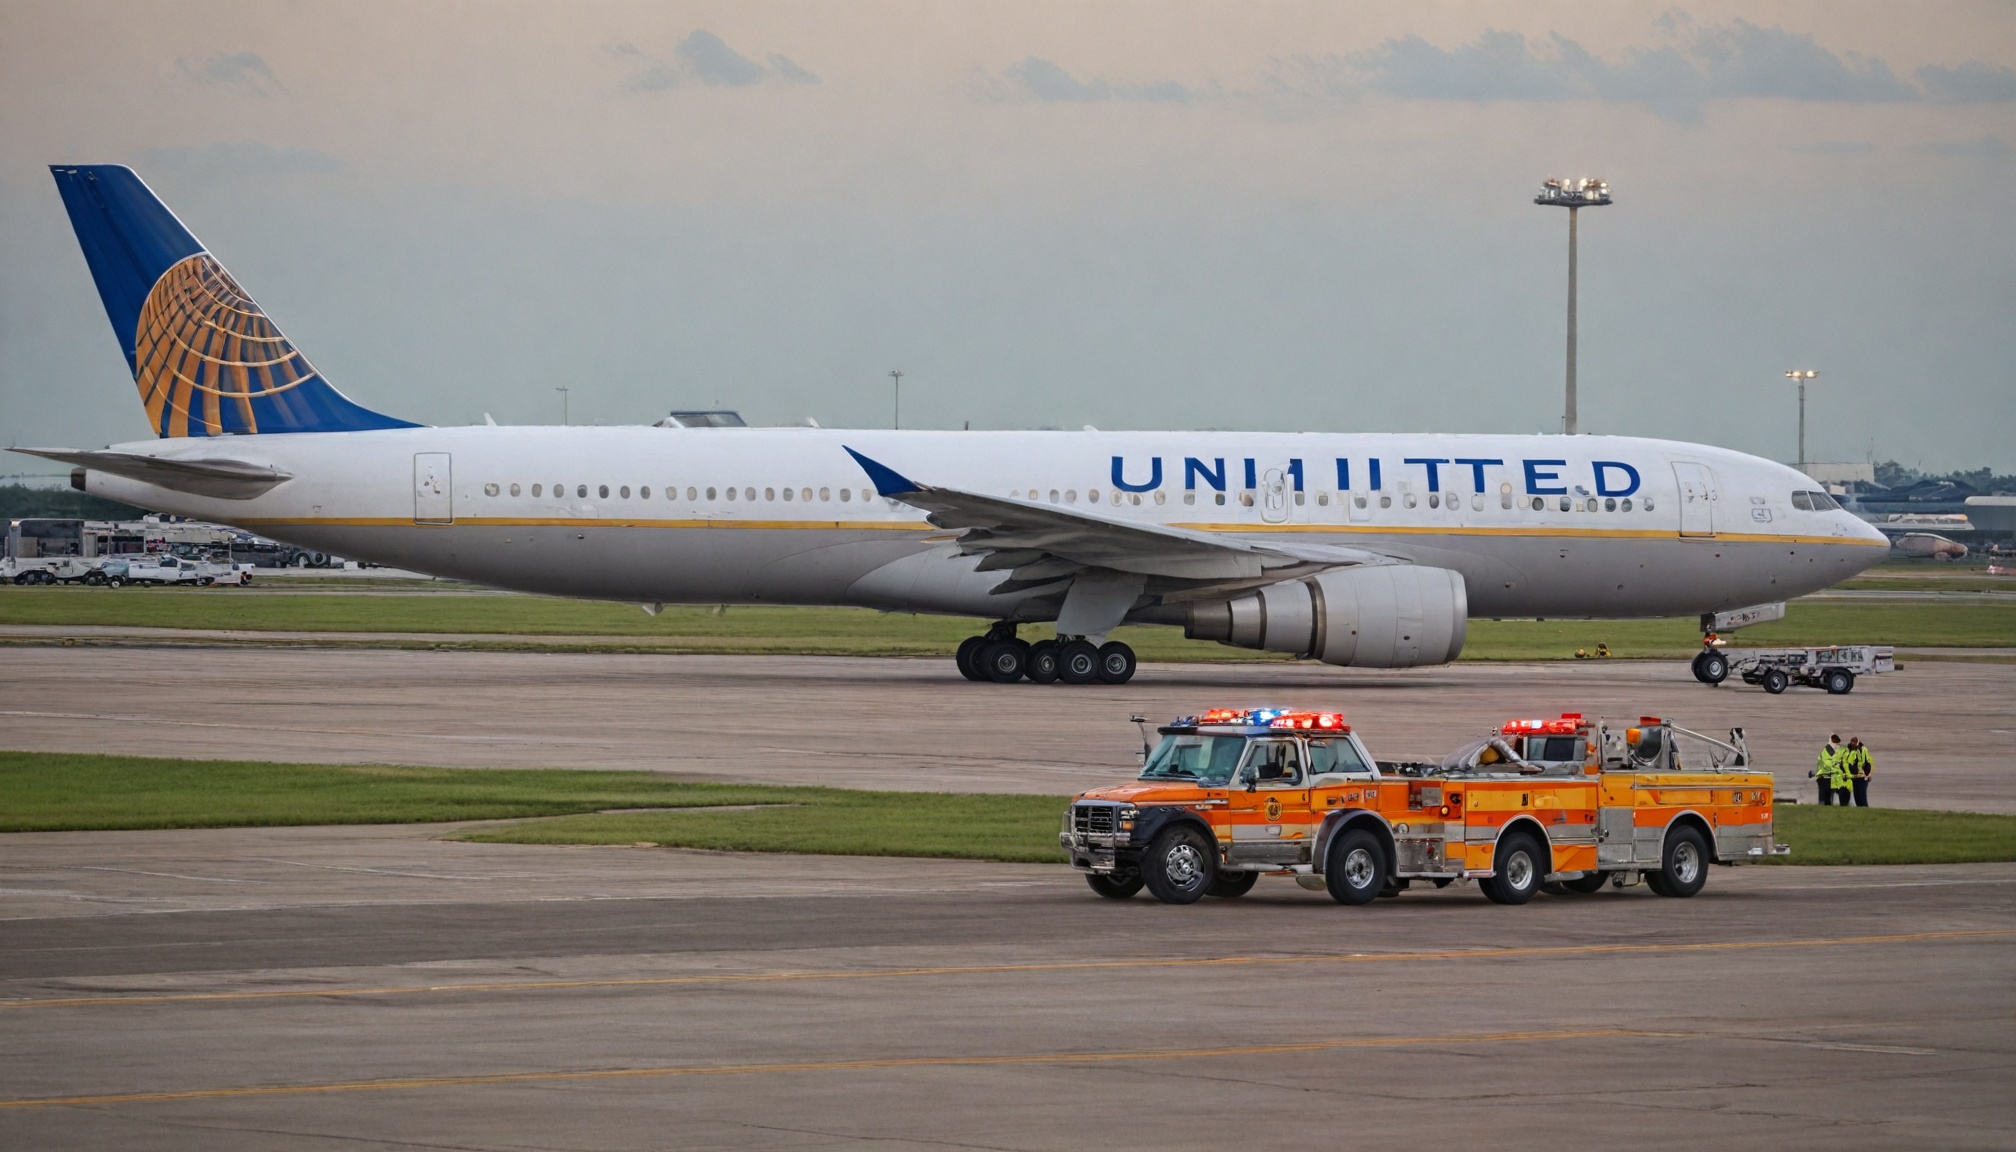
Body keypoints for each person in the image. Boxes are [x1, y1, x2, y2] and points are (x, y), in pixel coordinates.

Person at [1843, 737, 1874, 807]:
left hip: (1862, 777)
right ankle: (1860, 808)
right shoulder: (1848, 750)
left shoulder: (1862, 750)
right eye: (1852, 743)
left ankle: (1864, 808)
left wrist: (1867, 774)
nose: (1853, 744)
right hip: (1853, 777)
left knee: (1862, 796)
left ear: (1857, 743)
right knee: (1857, 795)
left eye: (1855, 743)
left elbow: (1867, 763)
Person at [1812, 735, 1842, 805]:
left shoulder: (1830, 750)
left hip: (1828, 776)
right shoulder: (1828, 750)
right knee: (1826, 796)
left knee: (1827, 796)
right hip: (1825, 776)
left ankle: (1826, 806)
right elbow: (1827, 764)